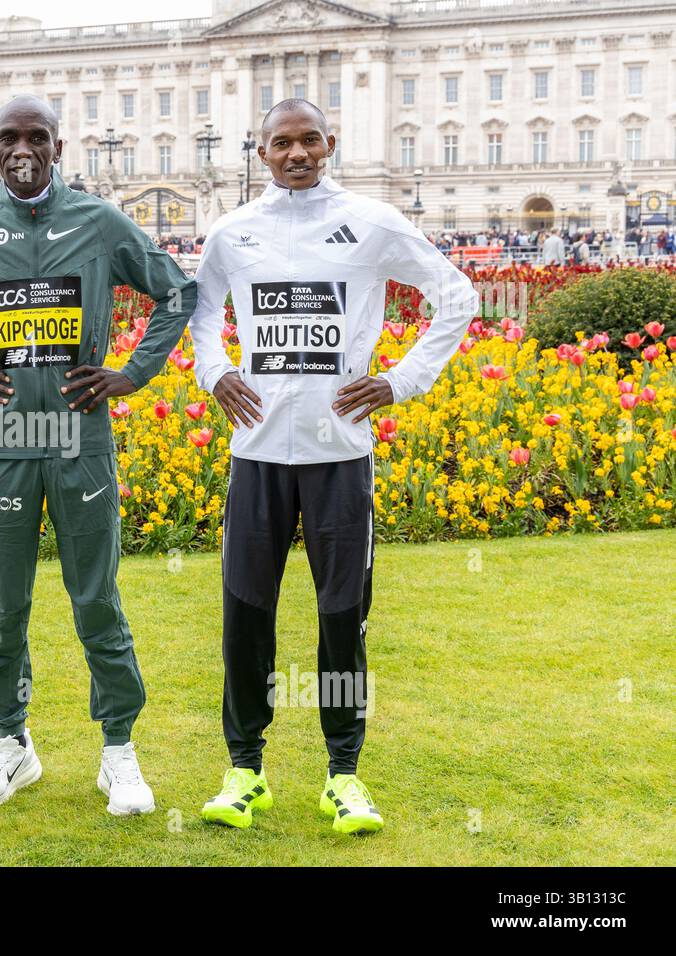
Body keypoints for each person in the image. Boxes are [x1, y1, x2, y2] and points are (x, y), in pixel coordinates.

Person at [0, 95, 197, 816]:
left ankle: (118, 749)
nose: (21, 150)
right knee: (5, 604)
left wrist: (129, 374)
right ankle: (11, 743)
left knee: (97, 599)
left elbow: (175, 292)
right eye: (7, 139)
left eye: (36, 138)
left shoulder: (97, 222)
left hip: (77, 438)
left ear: (59, 147)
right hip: (3, 442)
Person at [189, 99, 478, 836]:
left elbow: (455, 295)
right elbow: (199, 309)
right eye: (281, 143)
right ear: (260, 153)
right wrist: (214, 370)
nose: (296, 154)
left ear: (331, 144)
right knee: (245, 618)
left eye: (309, 140)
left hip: (340, 457)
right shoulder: (232, 230)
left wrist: (399, 381)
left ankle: (343, 776)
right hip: (256, 454)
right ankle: (243, 772)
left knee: (341, 620)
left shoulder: (373, 221)